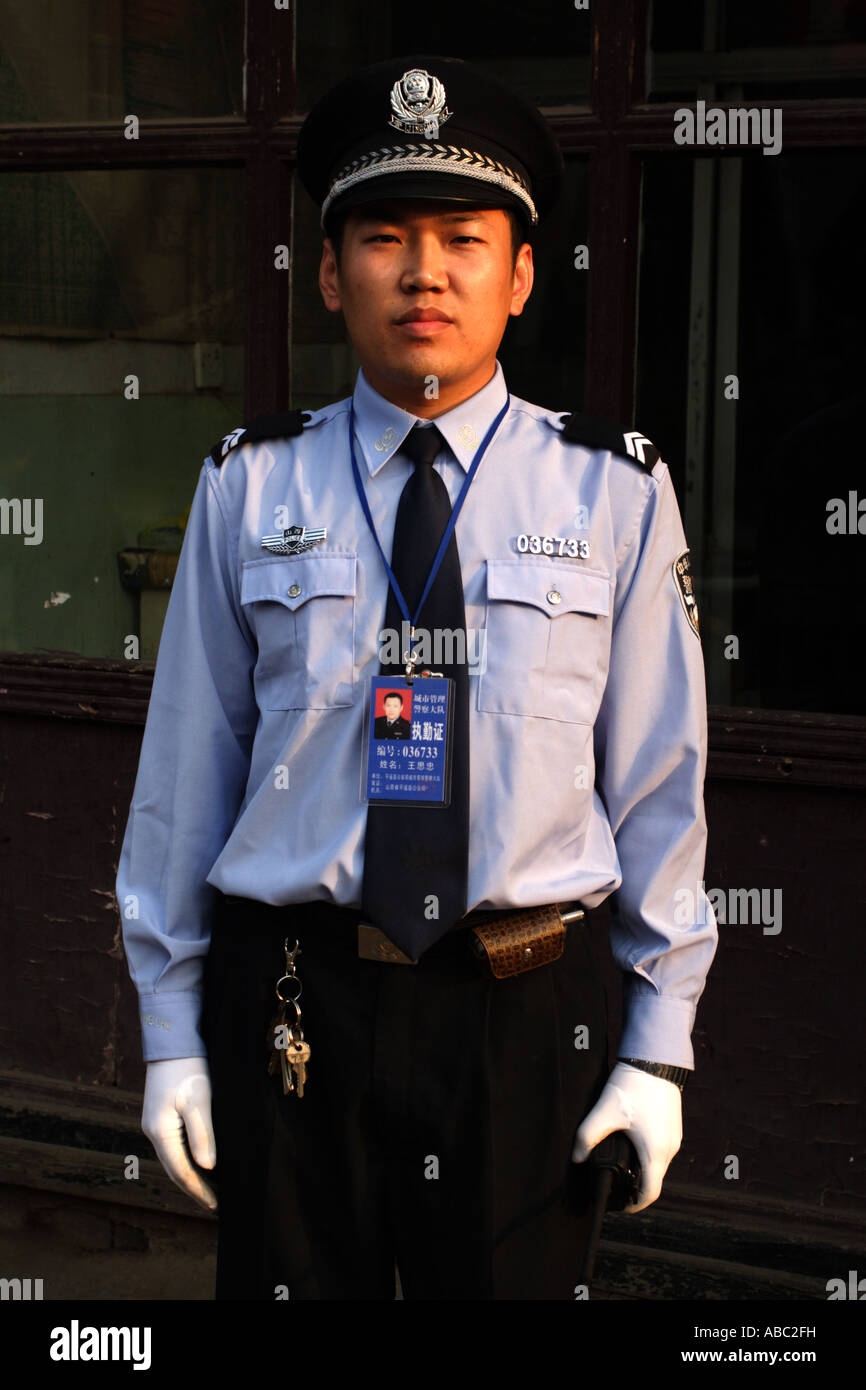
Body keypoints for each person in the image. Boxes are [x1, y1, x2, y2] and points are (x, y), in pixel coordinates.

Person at [116, 53, 718, 1301]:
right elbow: (185, 770)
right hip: (294, 1004)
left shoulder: (611, 489)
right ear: (331, 275)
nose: (423, 270)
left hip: (520, 1011)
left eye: (461, 237)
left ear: (521, 276)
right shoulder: (250, 485)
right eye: (383, 236)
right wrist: (170, 1033)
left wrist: (657, 1050)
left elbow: (660, 783)